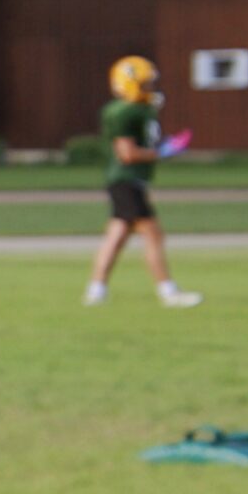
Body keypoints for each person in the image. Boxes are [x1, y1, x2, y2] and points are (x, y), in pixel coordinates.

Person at [84, 55, 201, 308]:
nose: (150, 89)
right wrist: (163, 152)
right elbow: (126, 154)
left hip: (128, 182)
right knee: (153, 235)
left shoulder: (140, 110)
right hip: (126, 181)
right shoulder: (123, 112)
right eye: (145, 84)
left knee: (116, 237)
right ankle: (168, 292)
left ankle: (96, 291)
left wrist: (163, 147)